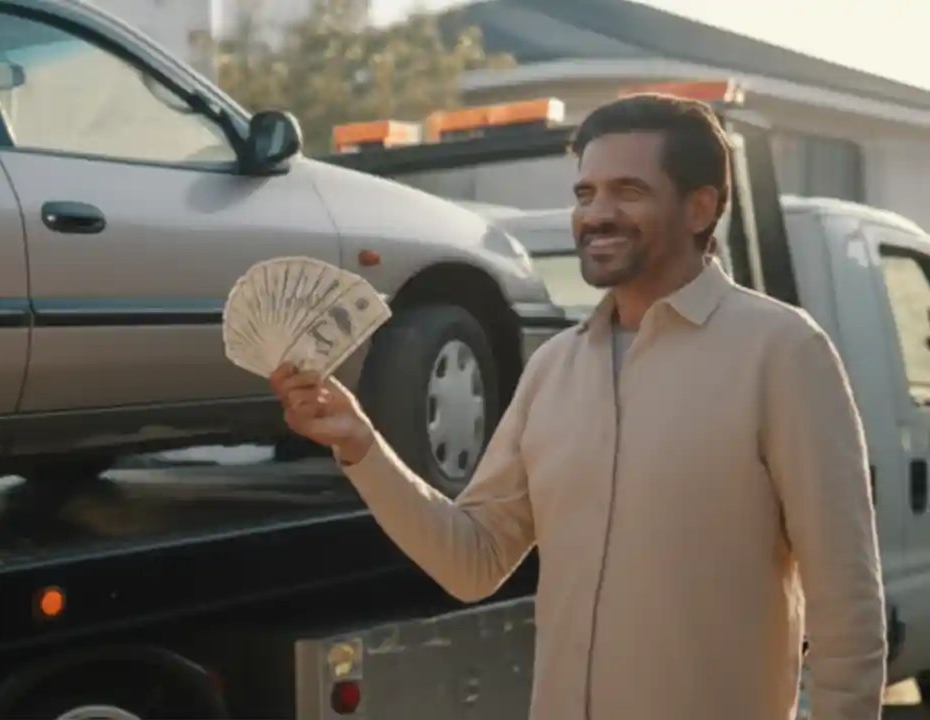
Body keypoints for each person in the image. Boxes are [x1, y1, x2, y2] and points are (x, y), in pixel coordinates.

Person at [270, 93, 887, 719]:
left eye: (628, 191)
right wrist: (361, 445)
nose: (597, 215)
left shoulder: (783, 352)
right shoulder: (554, 368)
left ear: (701, 207)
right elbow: (473, 563)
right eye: (586, 194)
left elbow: (848, 609)